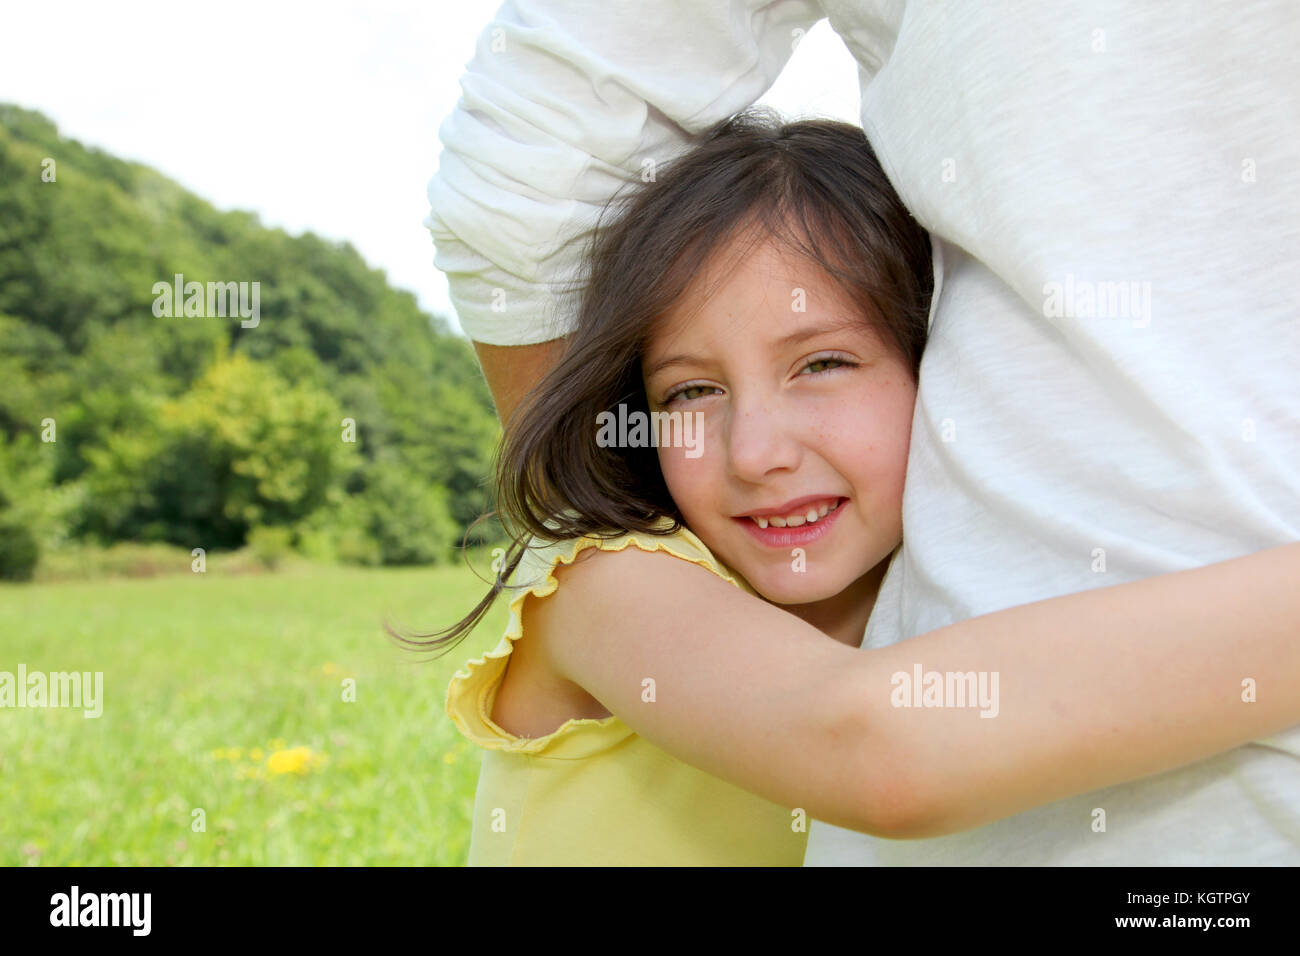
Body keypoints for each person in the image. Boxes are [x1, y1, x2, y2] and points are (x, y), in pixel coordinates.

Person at [424, 2, 1300, 864]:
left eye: (823, 366)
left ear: (939, 366)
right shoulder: (606, 586)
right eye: (691, 390)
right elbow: (880, 754)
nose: (756, 450)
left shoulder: (927, 588)